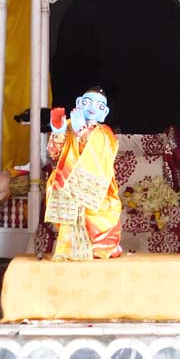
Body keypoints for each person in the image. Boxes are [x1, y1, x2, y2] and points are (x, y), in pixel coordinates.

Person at [45, 87, 122, 261]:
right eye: (88, 102)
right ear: (79, 103)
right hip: (67, 179)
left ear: (105, 112)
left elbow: (103, 156)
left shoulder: (105, 133)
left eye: (99, 105)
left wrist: (83, 132)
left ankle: (100, 248)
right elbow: (55, 155)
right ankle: (70, 247)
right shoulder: (70, 125)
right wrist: (57, 131)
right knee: (67, 206)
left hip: (95, 187)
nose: (93, 107)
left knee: (102, 216)